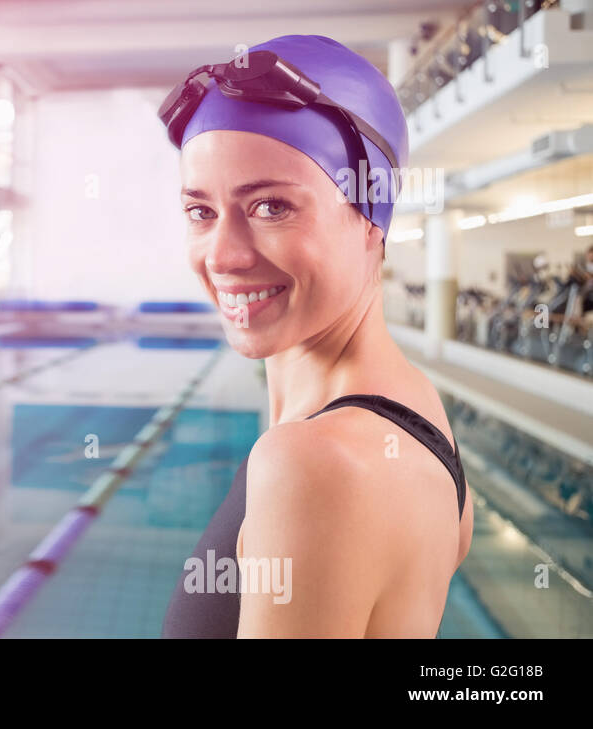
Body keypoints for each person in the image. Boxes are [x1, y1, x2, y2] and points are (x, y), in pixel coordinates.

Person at [157, 35, 473, 638]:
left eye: (272, 207)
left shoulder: (313, 466)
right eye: (201, 211)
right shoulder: (416, 412)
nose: (222, 255)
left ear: (371, 219)